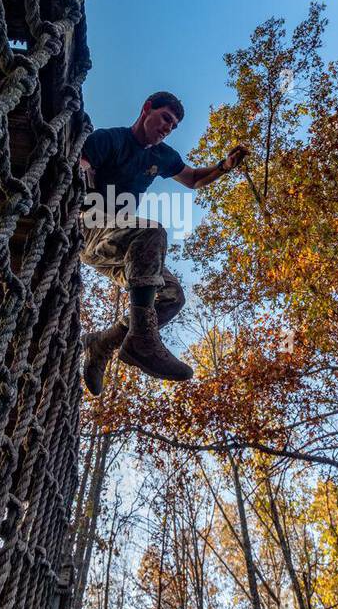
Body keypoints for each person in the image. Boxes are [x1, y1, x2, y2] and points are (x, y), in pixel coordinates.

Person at [78, 90, 248, 395]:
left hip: (120, 244)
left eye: (173, 126)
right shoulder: (110, 140)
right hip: (89, 230)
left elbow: (193, 179)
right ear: (147, 109)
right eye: (166, 118)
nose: (168, 127)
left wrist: (223, 167)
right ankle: (142, 340)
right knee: (152, 231)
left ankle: (103, 345)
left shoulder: (161, 156)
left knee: (171, 296)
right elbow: (77, 166)